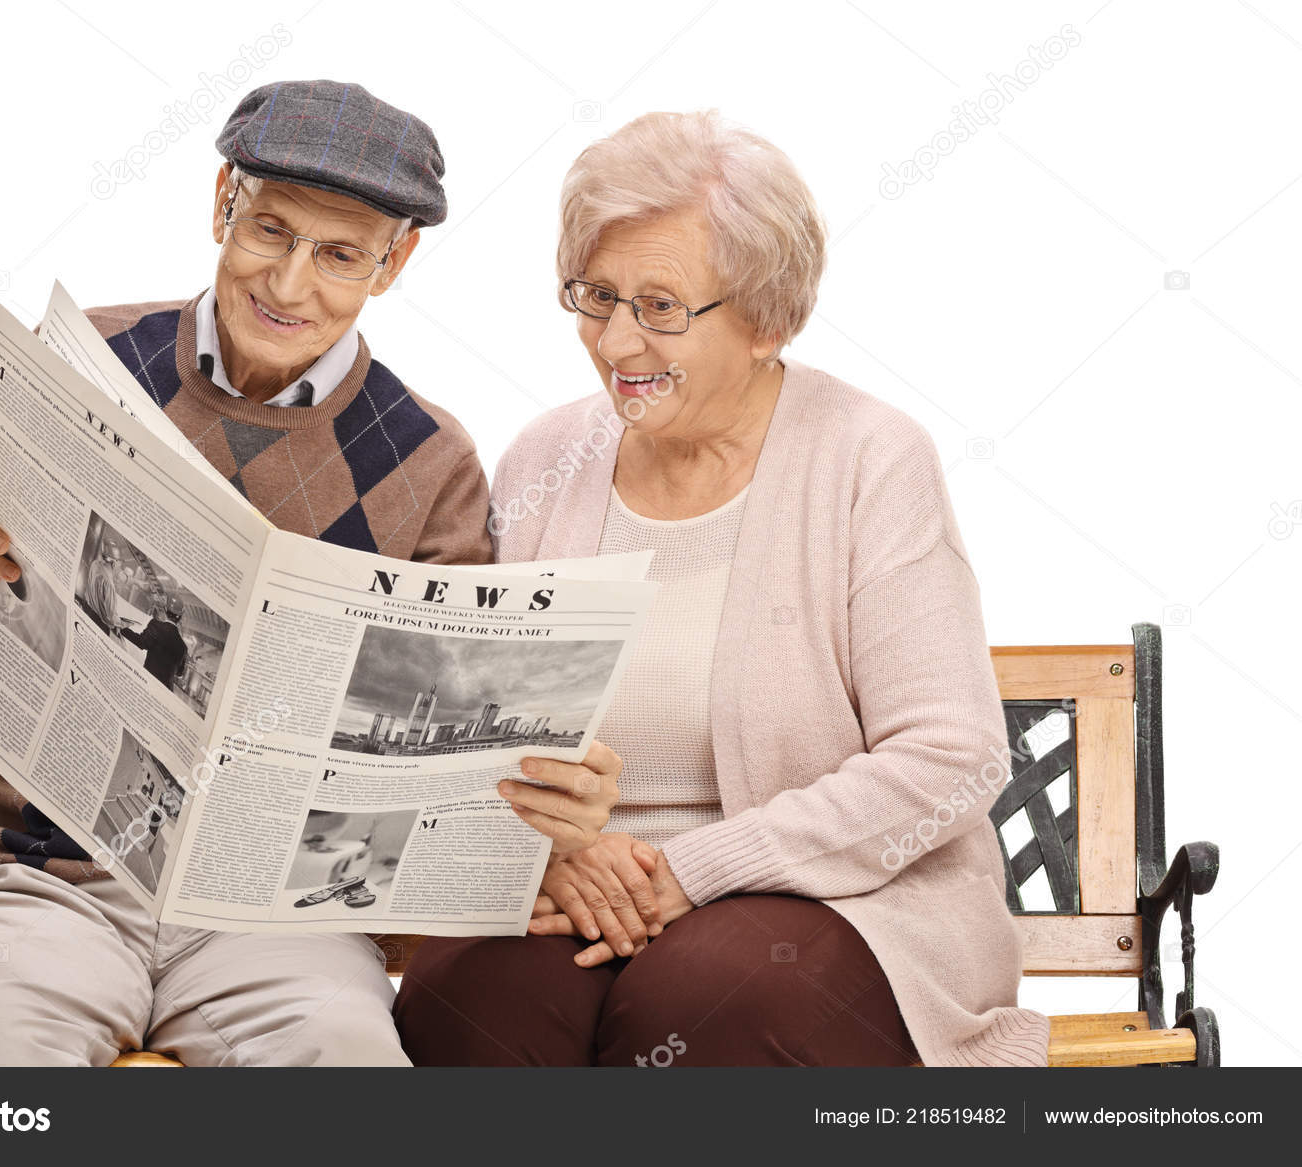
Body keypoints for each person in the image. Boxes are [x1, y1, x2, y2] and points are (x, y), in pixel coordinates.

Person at [0, 79, 622, 1067]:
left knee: (347, 1058)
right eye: (270, 231)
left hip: (274, 915)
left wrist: (541, 797)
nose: (290, 284)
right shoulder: (85, 362)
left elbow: (444, 760)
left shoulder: (430, 457)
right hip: (49, 883)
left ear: (393, 264)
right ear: (222, 201)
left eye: (340, 254)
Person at [394, 109, 1050, 1068]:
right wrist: (562, 854)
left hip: (840, 902)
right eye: (596, 295)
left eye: (661, 306)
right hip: (578, 887)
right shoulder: (548, 455)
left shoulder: (869, 459)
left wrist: (689, 873)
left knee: (708, 1001)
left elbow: (950, 756)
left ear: (768, 320)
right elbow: (492, 733)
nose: (617, 343)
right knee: (466, 997)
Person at [118, 594, 189, 691]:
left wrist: (122, 628)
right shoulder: (184, 648)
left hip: (147, 685)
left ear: (165, 609)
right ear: (180, 617)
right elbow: (179, 673)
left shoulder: (156, 626)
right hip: (166, 692)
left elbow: (141, 642)